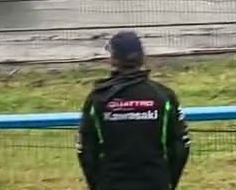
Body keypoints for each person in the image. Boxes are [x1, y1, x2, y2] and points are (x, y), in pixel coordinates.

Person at [77, 30, 191, 190]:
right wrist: (168, 181)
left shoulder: (97, 99)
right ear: (142, 56)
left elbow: (86, 150)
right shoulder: (164, 96)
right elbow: (181, 146)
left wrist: (97, 184)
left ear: (113, 59)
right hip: (155, 182)